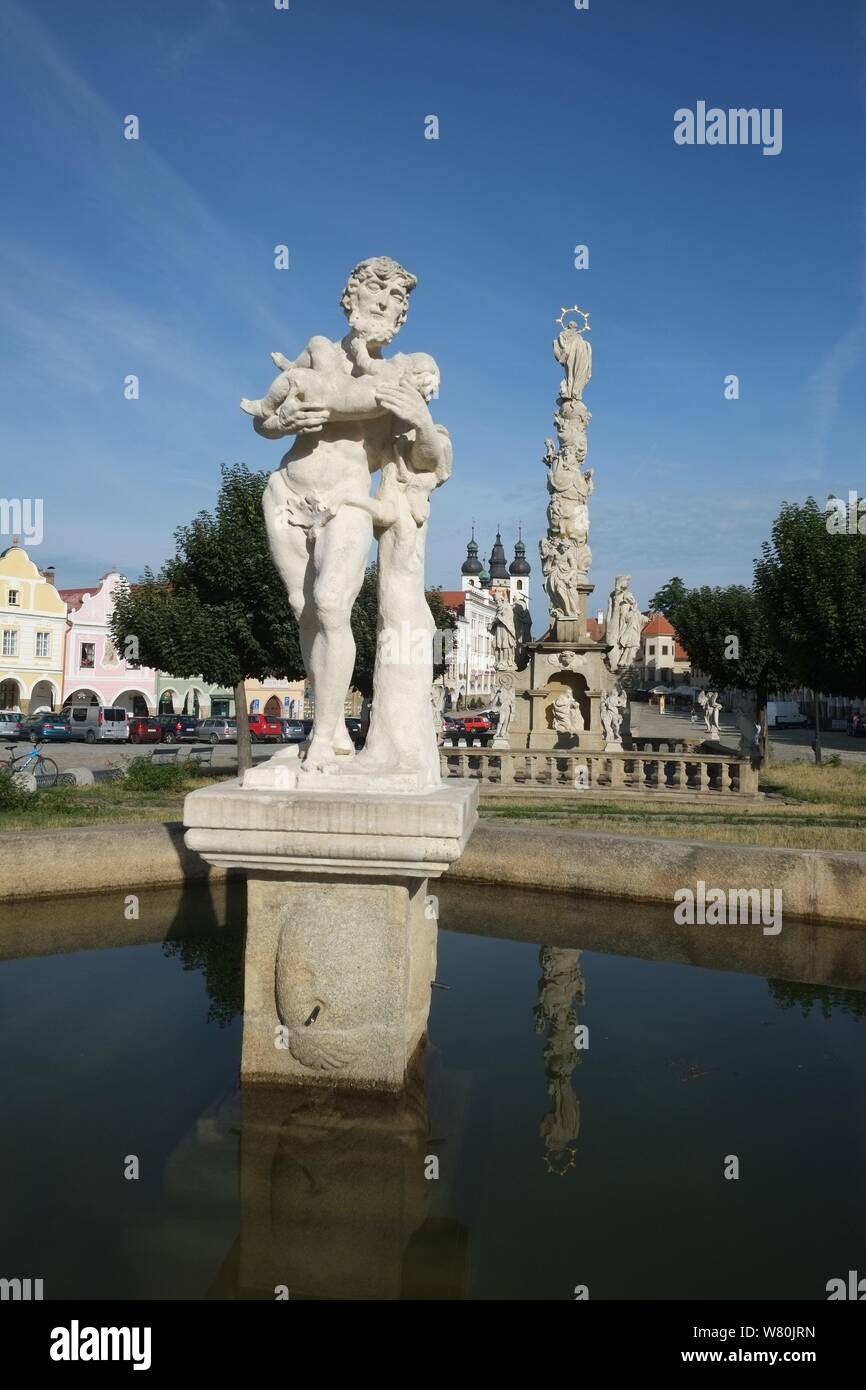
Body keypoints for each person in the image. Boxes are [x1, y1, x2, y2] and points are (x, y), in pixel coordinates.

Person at [247, 257, 452, 772]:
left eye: (393, 307)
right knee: (304, 609)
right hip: (286, 492)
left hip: (348, 502)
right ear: (350, 302)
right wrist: (280, 420)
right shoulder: (318, 353)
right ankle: (333, 725)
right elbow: (267, 423)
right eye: (373, 299)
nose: (382, 310)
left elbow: (429, 461)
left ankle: (321, 736)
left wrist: (422, 419)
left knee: (332, 604)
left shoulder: (400, 376)